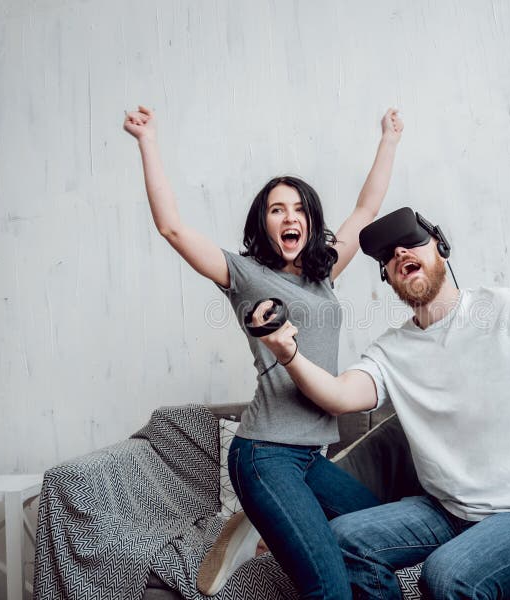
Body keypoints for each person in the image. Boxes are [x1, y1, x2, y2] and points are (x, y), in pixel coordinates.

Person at [250, 207, 510, 599]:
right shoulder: (392, 351)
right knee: (344, 539)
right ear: (389, 277)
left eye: (411, 242)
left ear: (441, 249)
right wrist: (288, 353)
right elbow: (339, 396)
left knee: (446, 575)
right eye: (388, 255)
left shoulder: (506, 310)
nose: (398, 254)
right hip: (449, 512)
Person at [122, 106, 404, 599]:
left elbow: (365, 211)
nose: (289, 217)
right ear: (264, 222)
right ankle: (265, 522)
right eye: (277, 209)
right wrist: (148, 141)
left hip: (309, 459)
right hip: (264, 455)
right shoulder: (247, 274)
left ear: (311, 221)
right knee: (329, 590)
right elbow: (172, 229)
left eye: (299, 209)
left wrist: (389, 139)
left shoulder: (322, 272)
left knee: (374, 535)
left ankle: (263, 532)